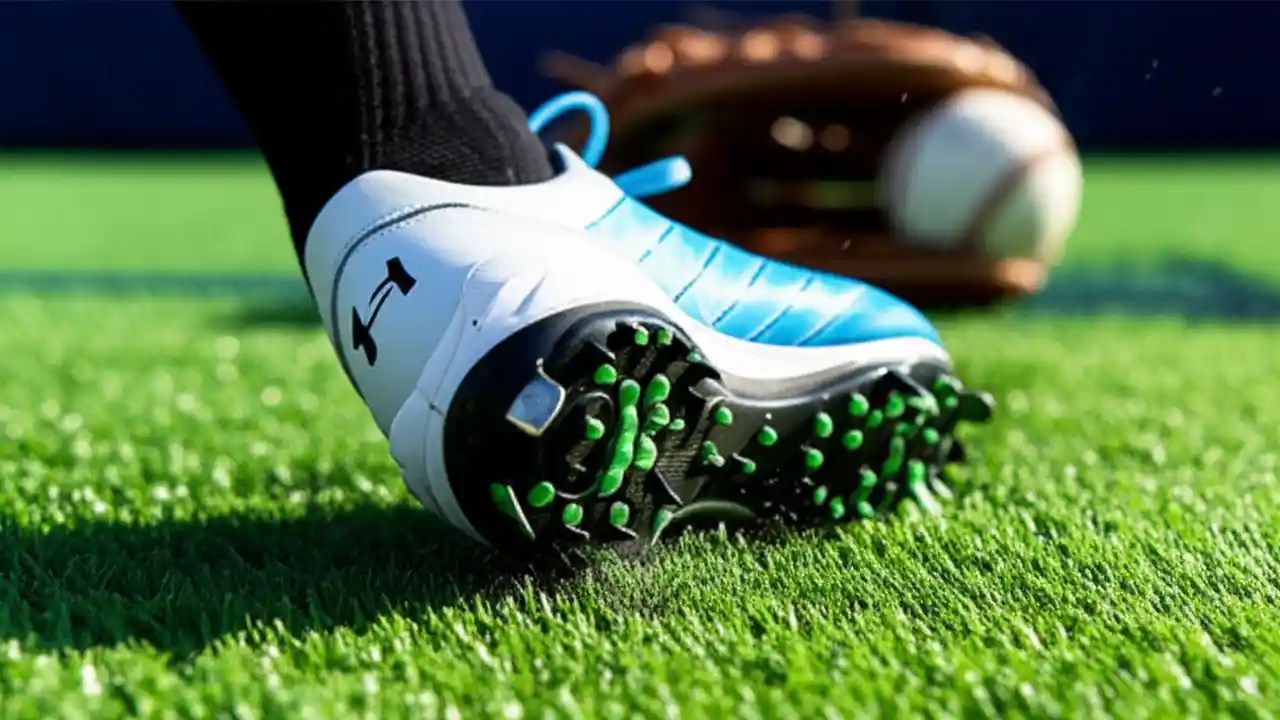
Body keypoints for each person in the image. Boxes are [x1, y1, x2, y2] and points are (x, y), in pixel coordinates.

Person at [174, 0, 990, 552]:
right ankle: (461, 178)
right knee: (409, 144)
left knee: (369, 151)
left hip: (399, 265)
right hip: (439, 265)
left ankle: (415, 196)